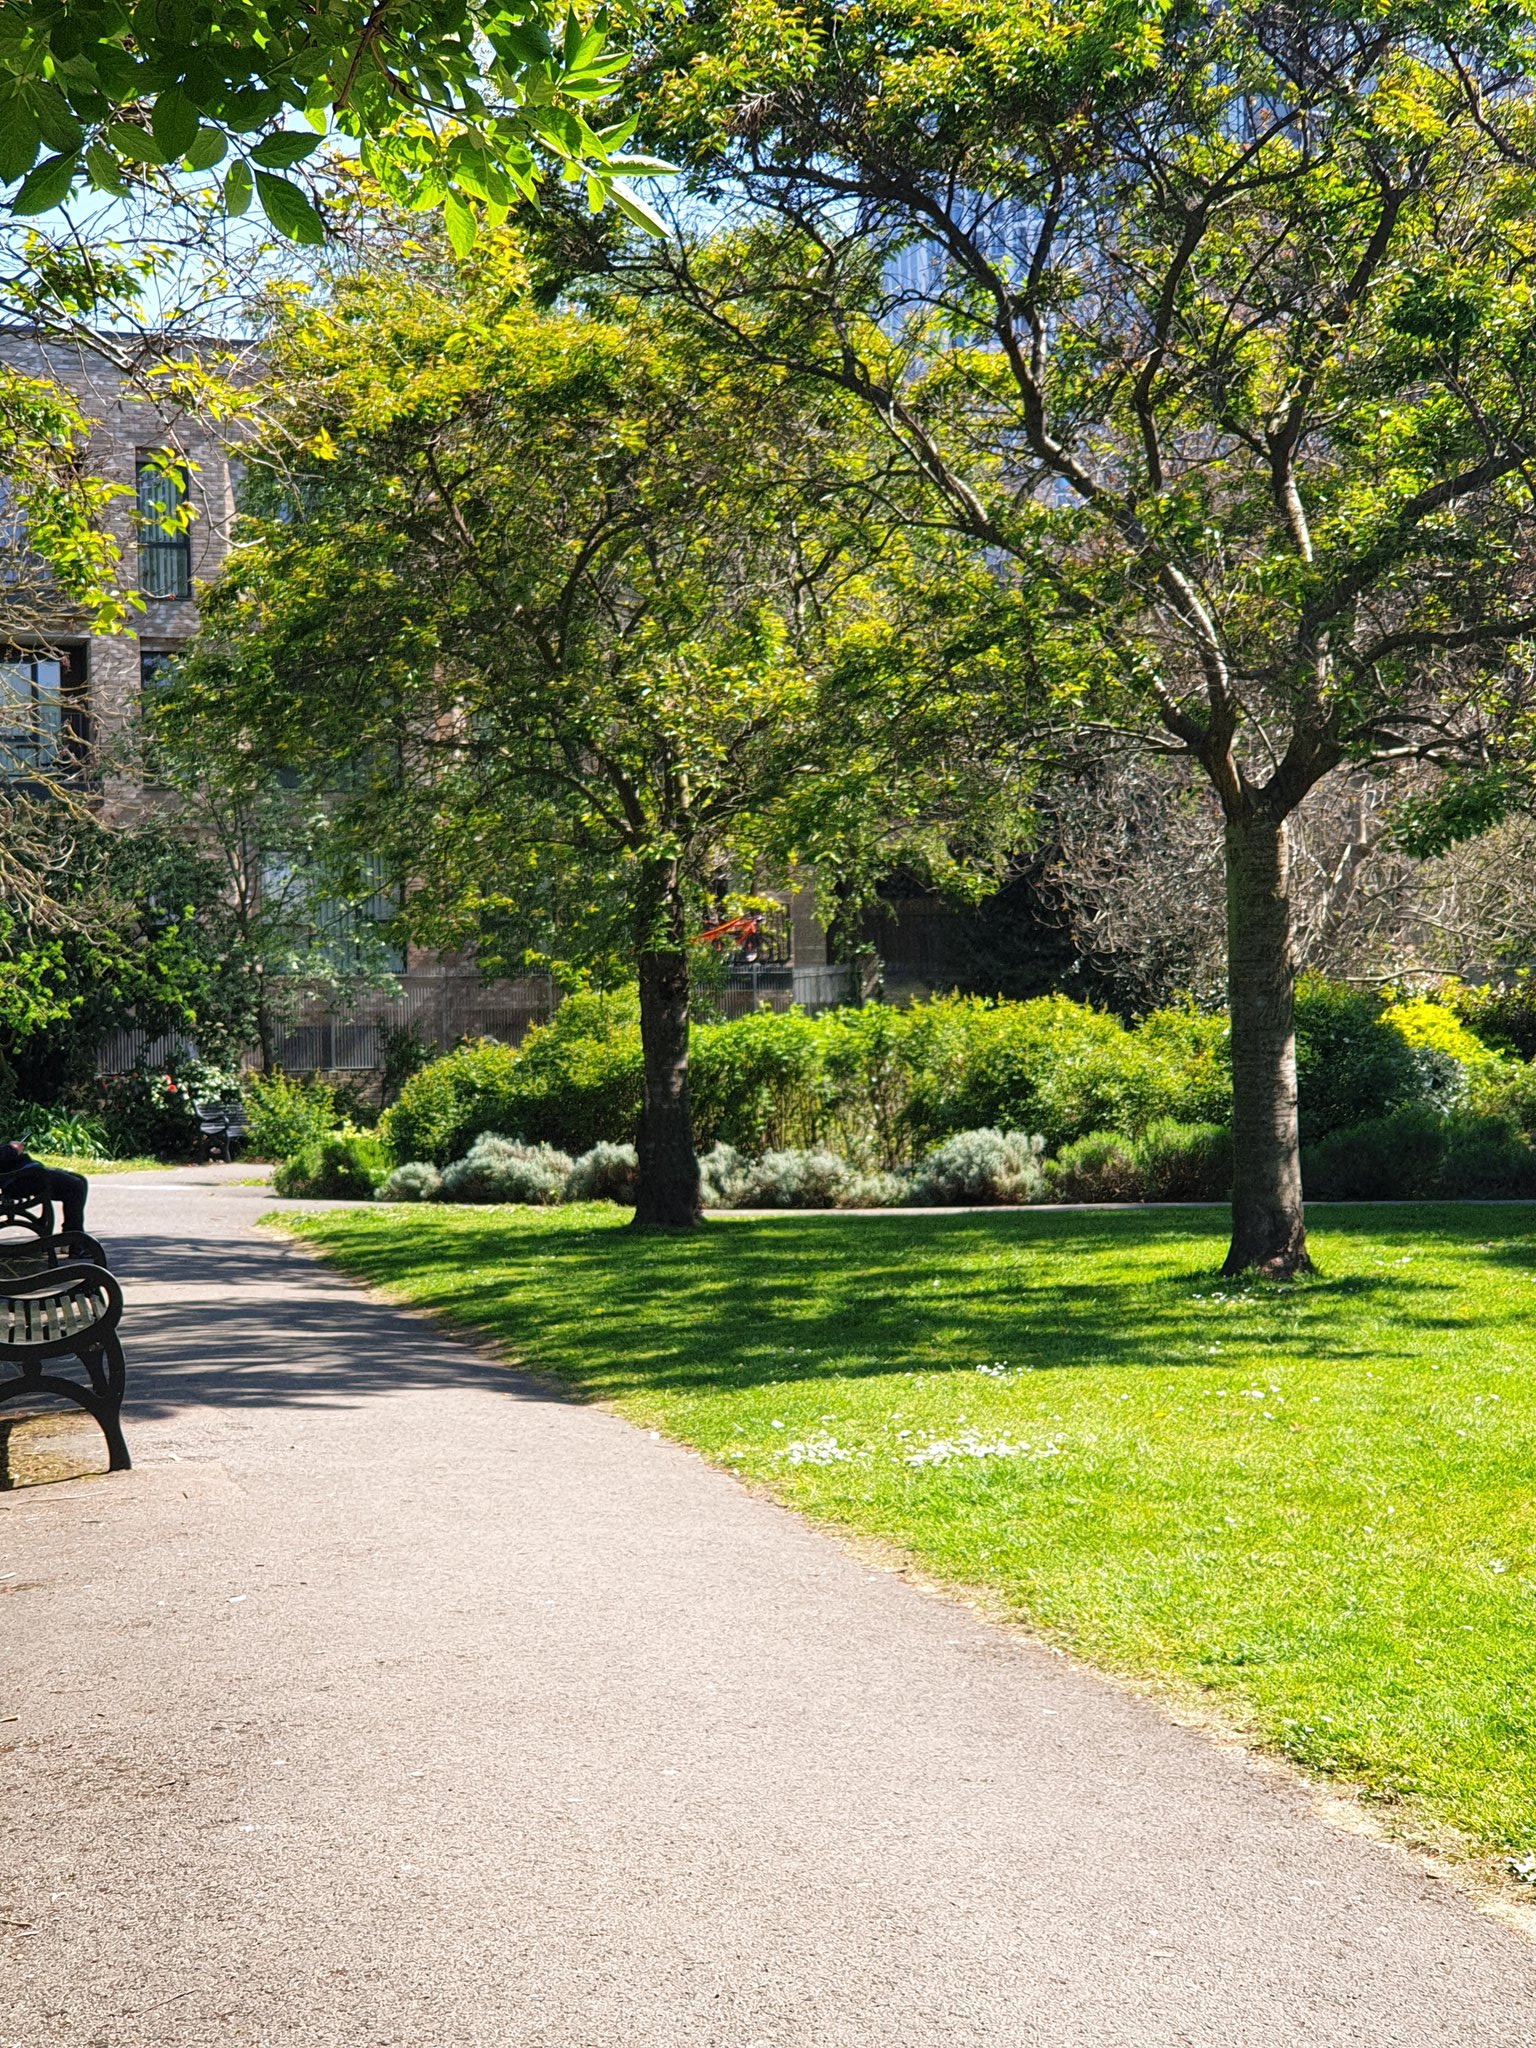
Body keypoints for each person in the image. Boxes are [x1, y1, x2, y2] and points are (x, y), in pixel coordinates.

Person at [0, 1140, 88, 1234]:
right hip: (16, 1179)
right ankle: (73, 1238)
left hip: (21, 1173)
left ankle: (72, 1235)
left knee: (79, 1180)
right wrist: (12, 1149)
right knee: (75, 1185)